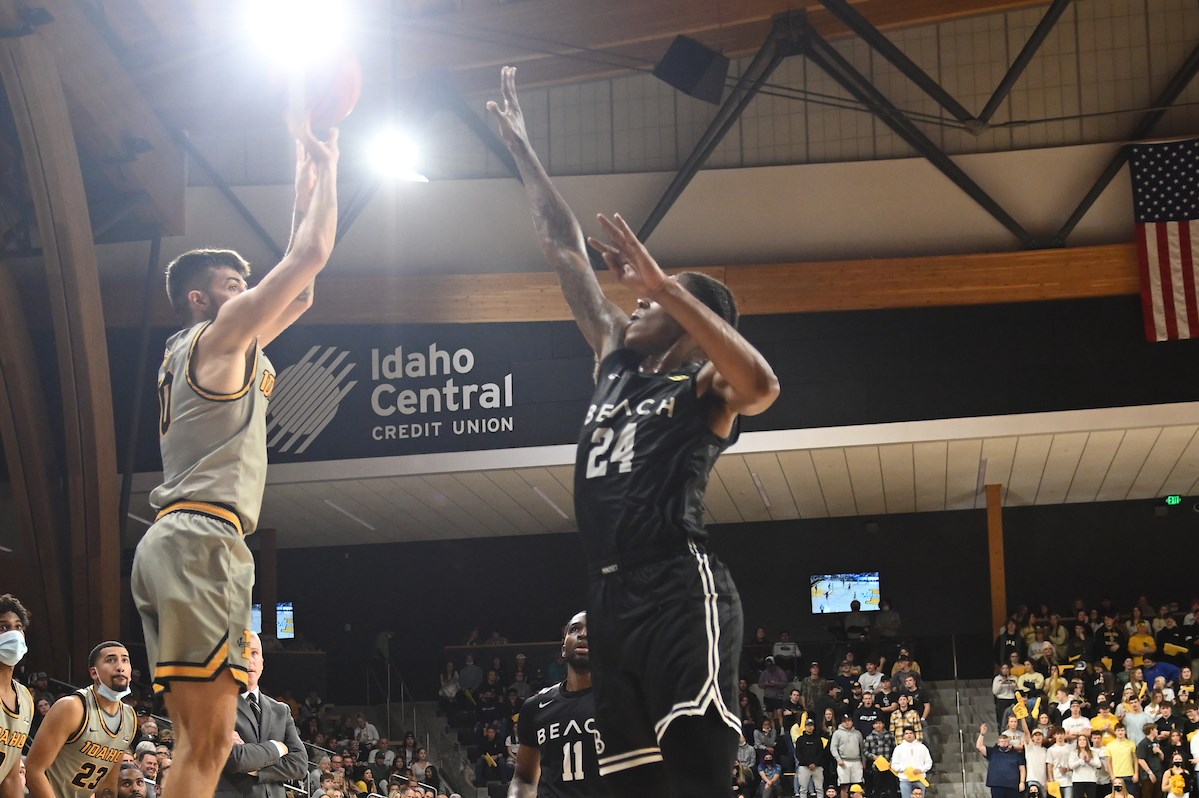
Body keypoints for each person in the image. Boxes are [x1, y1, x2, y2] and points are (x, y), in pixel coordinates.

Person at [487, 66, 779, 798]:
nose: (633, 306)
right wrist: (522, 151)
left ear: (683, 318)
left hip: (678, 584)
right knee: (635, 789)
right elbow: (562, 247)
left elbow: (763, 388)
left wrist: (669, 288)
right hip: (608, 591)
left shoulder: (703, 383)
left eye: (650, 303)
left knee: (696, 778)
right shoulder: (615, 361)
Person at [129, 113, 339, 798]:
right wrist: (331, 162)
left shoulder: (217, 350)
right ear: (201, 300)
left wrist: (303, 183)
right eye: (232, 286)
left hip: (177, 538)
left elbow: (301, 291)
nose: (245, 295)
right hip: (201, 539)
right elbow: (307, 261)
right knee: (210, 745)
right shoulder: (214, 342)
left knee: (203, 742)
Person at [509, 611, 609, 798]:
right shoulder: (535, 706)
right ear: (563, 648)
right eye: (575, 629)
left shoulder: (627, 702)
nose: (583, 634)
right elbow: (524, 778)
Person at [26, 641, 138, 798]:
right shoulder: (72, 707)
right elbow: (33, 770)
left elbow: (108, 785)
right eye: (111, 660)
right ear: (94, 673)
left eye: (125, 660)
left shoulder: (129, 717)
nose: (120, 667)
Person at [215, 631, 307, 797]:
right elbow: (236, 759)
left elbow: (300, 764)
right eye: (242, 654)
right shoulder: (216, 707)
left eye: (254, 653)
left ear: (262, 662)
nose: (249, 660)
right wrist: (278, 748)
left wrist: (257, 771)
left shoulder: (281, 710)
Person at [0, 594, 33, 797]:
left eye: (18, 627)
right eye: (3, 627)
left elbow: (11, 776)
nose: (13, 634)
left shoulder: (25, 698)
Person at [977, 723, 1026, 798]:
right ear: (998, 743)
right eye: (1002, 742)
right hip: (997, 785)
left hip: (1013, 786)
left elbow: (1022, 768)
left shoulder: (1016, 753)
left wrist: (1022, 782)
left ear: (1008, 742)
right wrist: (982, 734)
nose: (1003, 743)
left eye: (1005, 741)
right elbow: (979, 746)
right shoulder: (993, 752)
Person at [831, 713, 865, 798]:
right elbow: (833, 748)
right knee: (844, 785)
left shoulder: (857, 733)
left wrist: (863, 761)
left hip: (856, 761)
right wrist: (838, 759)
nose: (847, 723)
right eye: (844, 721)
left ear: (852, 722)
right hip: (844, 761)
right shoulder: (837, 733)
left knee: (857, 786)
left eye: (849, 721)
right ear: (841, 722)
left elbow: (862, 748)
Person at [890, 727, 931, 798]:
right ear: (903, 736)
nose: (909, 735)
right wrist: (905, 769)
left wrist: (921, 770)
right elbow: (894, 765)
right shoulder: (898, 749)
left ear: (914, 734)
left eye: (911, 733)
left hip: (919, 779)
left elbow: (928, 762)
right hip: (905, 780)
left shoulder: (922, 747)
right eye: (906, 733)